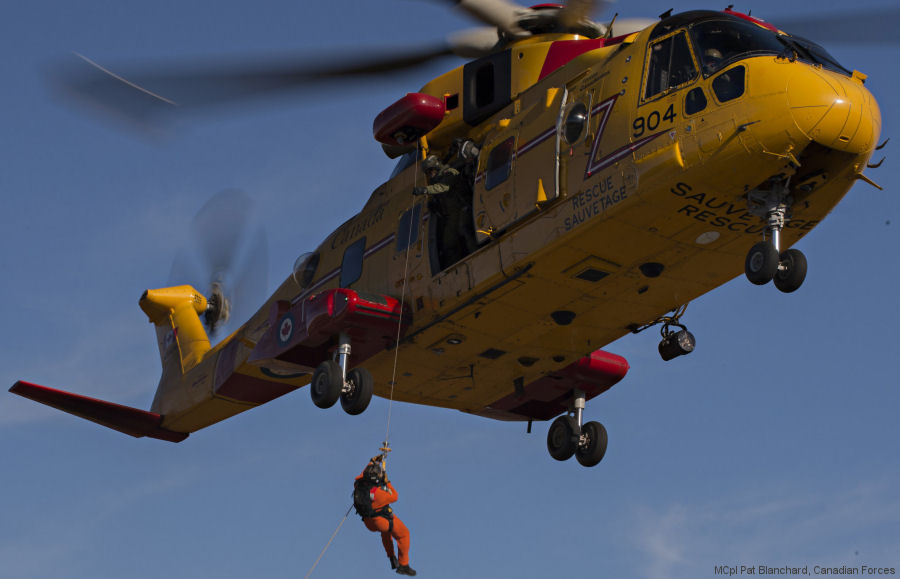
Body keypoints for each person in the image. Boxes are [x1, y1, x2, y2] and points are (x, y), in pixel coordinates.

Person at [354, 456, 417, 576]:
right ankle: (403, 565)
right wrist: (387, 482)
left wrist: (372, 462)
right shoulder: (380, 494)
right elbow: (394, 496)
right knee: (404, 534)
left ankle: (392, 558)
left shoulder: (358, 485)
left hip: (368, 522)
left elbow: (362, 475)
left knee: (386, 532)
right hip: (380, 521)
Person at [413, 155, 477, 268]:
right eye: (428, 172)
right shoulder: (435, 181)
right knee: (448, 242)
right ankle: (457, 267)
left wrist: (425, 190)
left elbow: (443, 187)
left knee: (465, 228)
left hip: (463, 208)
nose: (430, 174)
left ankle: (477, 255)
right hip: (452, 215)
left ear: (437, 167)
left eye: (431, 170)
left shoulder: (450, 173)